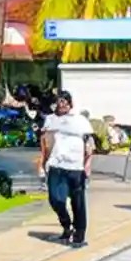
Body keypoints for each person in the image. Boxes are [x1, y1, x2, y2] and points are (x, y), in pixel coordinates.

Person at [39, 91, 94, 247]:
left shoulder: (80, 121)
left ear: (70, 104)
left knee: (78, 202)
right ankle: (66, 224)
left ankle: (79, 233)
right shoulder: (50, 120)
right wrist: (42, 164)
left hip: (76, 166)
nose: (62, 105)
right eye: (59, 102)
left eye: (65, 102)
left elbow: (90, 145)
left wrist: (87, 166)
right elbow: (45, 143)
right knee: (55, 199)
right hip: (56, 165)